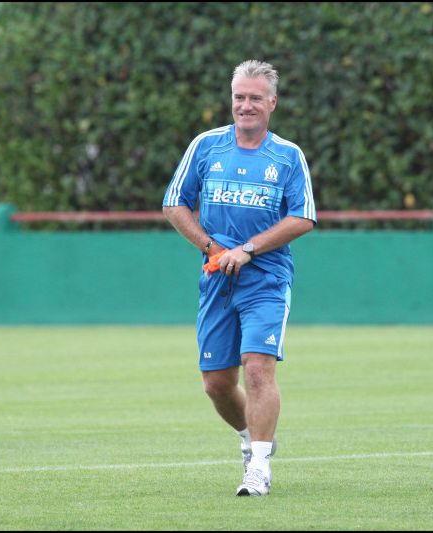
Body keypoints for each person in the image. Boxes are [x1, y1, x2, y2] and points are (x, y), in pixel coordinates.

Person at [162, 60, 317, 496]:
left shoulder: (287, 156)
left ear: (272, 103)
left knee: (258, 372)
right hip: (216, 277)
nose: (245, 105)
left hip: (266, 278)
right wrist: (214, 250)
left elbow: (303, 217)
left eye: (254, 98)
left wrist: (248, 250)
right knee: (216, 384)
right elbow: (175, 204)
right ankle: (252, 438)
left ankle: (260, 467)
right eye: (239, 97)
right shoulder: (206, 146)